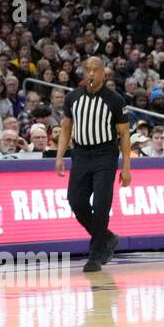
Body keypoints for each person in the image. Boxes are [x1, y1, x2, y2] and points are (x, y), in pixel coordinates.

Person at [56, 57, 131, 273]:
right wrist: (60, 156)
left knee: (101, 205)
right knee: (75, 201)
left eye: (95, 70)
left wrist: (126, 167)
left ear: (103, 74)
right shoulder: (73, 98)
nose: (90, 74)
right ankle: (106, 237)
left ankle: (96, 254)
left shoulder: (115, 100)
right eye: (87, 69)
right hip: (80, 154)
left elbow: (124, 134)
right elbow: (66, 128)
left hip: (105, 154)